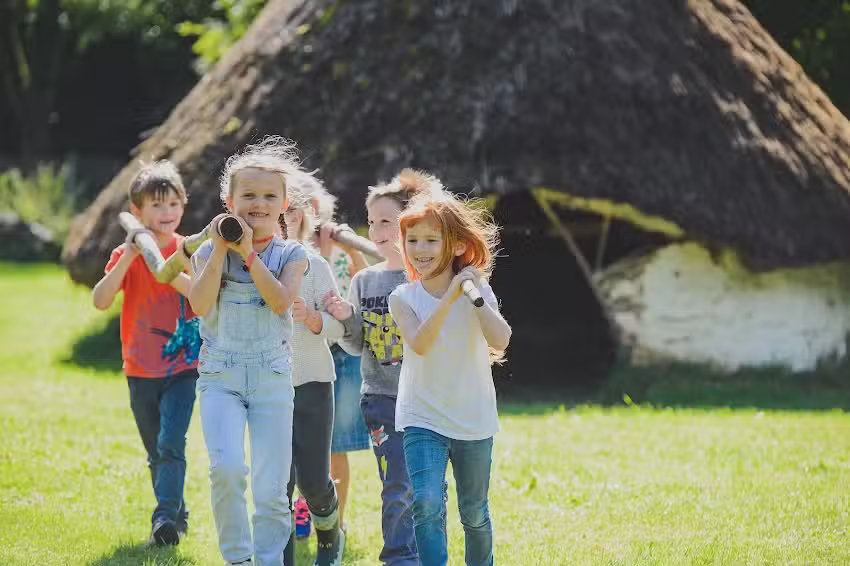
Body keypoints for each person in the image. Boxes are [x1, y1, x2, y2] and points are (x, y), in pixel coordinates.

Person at [188, 136, 308, 566]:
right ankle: (238, 559)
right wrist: (222, 250)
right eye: (249, 195)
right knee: (226, 470)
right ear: (229, 201)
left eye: (269, 196)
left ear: (284, 204)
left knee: (271, 487)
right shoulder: (207, 250)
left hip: (272, 378)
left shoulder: (292, 254)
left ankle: (269, 560)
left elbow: (280, 302)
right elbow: (199, 304)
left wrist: (249, 256)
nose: (258, 203)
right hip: (220, 374)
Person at [324, 169, 442, 565]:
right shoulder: (364, 281)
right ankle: (398, 558)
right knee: (396, 485)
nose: (375, 229)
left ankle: (427, 553)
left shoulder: (427, 279)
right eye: (371, 221)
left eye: (386, 221)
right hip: (381, 400)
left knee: (426, 488)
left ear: (410, 224)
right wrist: (345, 318)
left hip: (428, 400)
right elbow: (356, 346)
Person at [388, 191, 512, 566]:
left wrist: (473, 297)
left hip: (473, 418)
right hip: (421, 417)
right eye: (412, 241)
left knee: (474, 514)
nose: (419, 250)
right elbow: (421, 343)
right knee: (426, 503)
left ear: (456, 245)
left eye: (430, 240)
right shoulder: (403, 296)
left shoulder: (479, 291)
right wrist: (449, 298)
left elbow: (501, 339)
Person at [92, 160, 199, 546]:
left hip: (184, 366)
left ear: (183, 206)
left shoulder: (188, 250)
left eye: (173, 204)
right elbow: (100, 300)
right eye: (156, 206)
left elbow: (202, 301)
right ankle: (176, 510)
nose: (166, 213)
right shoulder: (130, 254)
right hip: (140, 368)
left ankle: (163, 518)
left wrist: (169, 266)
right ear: (137, 212)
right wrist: (130, 256)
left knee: (172, 442)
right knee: (156, 451)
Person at [299, 175, 370, 537]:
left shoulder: (342, 249)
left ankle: (335, 521)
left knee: (336, 443)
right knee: (302, 441)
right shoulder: (292, 254)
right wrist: (321, 253)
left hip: (344, 353)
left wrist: (349, 248)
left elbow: (366, 286)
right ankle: (302, 513)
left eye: (315, 207)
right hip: (309, 353)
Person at [279, 179, 345, 566]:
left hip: (315, 383)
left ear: (299, 216)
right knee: (279, 484)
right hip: (269, 387)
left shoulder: (316, 265)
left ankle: (328, 539)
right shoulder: (255, 264)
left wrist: (315, 318)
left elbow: (338, 328)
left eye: (286, 212)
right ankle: (281, 557)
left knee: (314, 482)